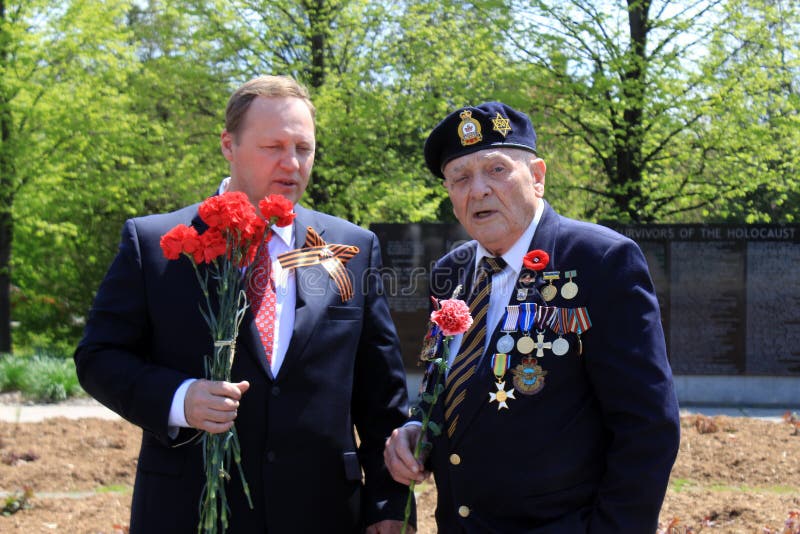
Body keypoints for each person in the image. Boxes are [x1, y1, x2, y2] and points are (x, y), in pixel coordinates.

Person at [75, 75, 413, 533]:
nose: (292, 163)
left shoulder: (351, 248)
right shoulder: (156, 244)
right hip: (189, 511)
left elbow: (381, 397)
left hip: (322, 513)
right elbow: (98, 357)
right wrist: (180, 399)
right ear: (228, 146)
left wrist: (389, 505)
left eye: (304, 148)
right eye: (273, 147)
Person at [383, 102, 681, 533]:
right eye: (460, 178)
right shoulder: (451, 272)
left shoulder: (599, 261)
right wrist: (418, 427)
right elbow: (451, 383)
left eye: (496, 169)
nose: (478, 190)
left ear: (537, 177)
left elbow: (647, 426)